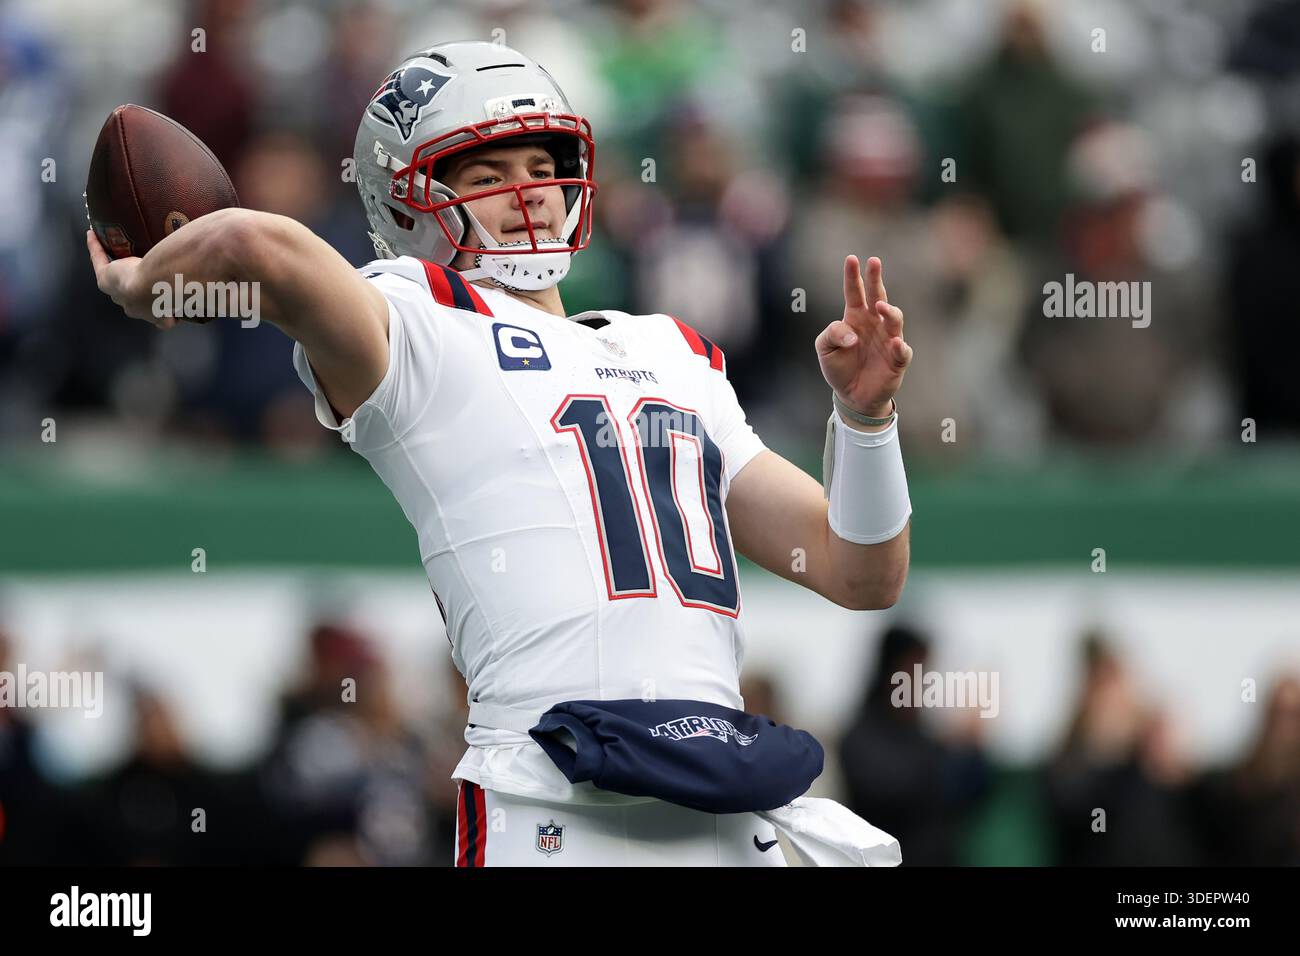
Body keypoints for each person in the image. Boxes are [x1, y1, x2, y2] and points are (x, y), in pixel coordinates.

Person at [87, 40, 913, 866]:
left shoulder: (671, 353)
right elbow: (259, 249)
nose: (531, 195)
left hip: (719, 801)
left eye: (542, 164)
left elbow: (860, 571)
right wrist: (145, 281)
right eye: (487, 176)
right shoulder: (417, 324)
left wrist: (867, 421)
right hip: (554, 804)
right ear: (410, 200)